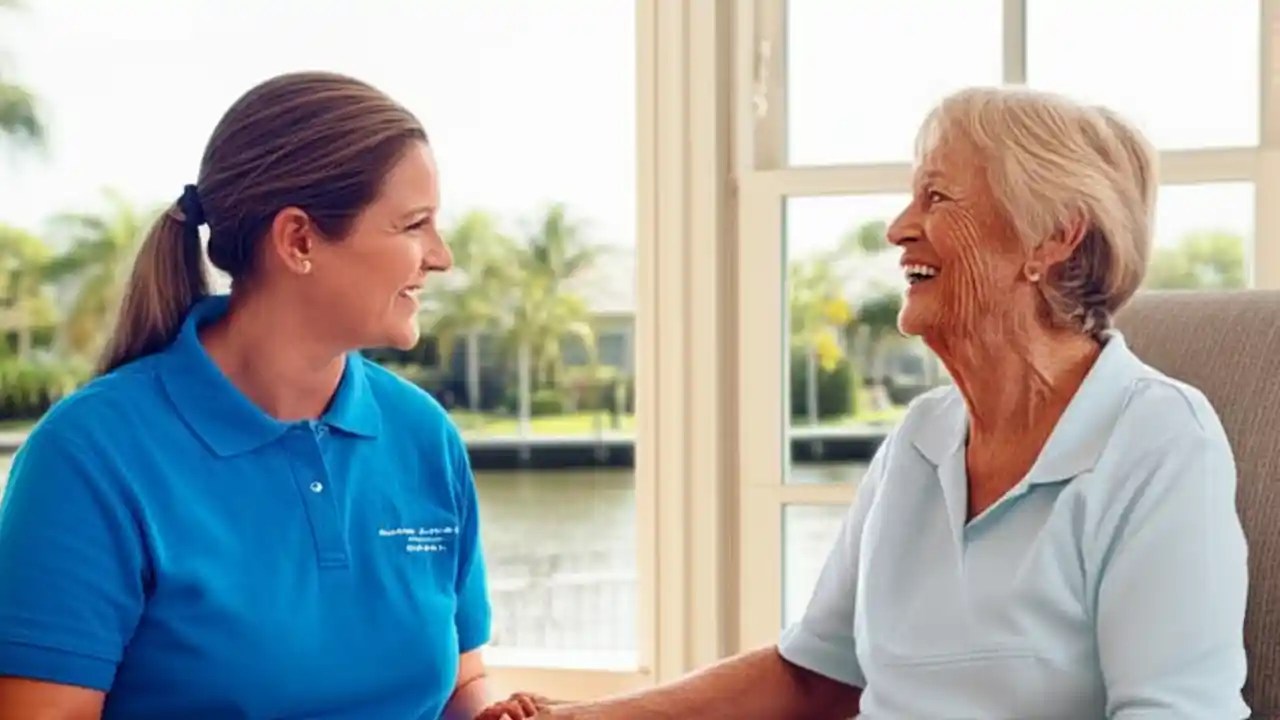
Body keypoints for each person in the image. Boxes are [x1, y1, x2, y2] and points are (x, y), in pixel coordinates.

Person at [510, 86, 1252, 718]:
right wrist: (578, 716)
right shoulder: (923, 436)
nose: (899, 227)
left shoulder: (1157, 440)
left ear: (1053, 237)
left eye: (936, 196)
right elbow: (811, 677)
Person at [0, 71, 536, 720]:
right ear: (298, 240)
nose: (441, 256)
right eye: (414, 224)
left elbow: (456, 682)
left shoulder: (423, 435)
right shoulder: (87, 458)